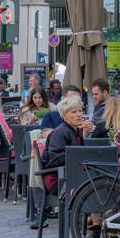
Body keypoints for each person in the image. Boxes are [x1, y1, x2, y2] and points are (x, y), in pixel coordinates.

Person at [37, 95, 90, 229]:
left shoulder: (76, 131)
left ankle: (94, 227)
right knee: (94, 188)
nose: (79, 114)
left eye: (80, 111)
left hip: (70, 177)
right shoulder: (59, 133)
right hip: (57, 180)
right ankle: (90, 229)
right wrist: (77, 159)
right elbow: (55, 160)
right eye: (74, 112)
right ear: (65, 116)